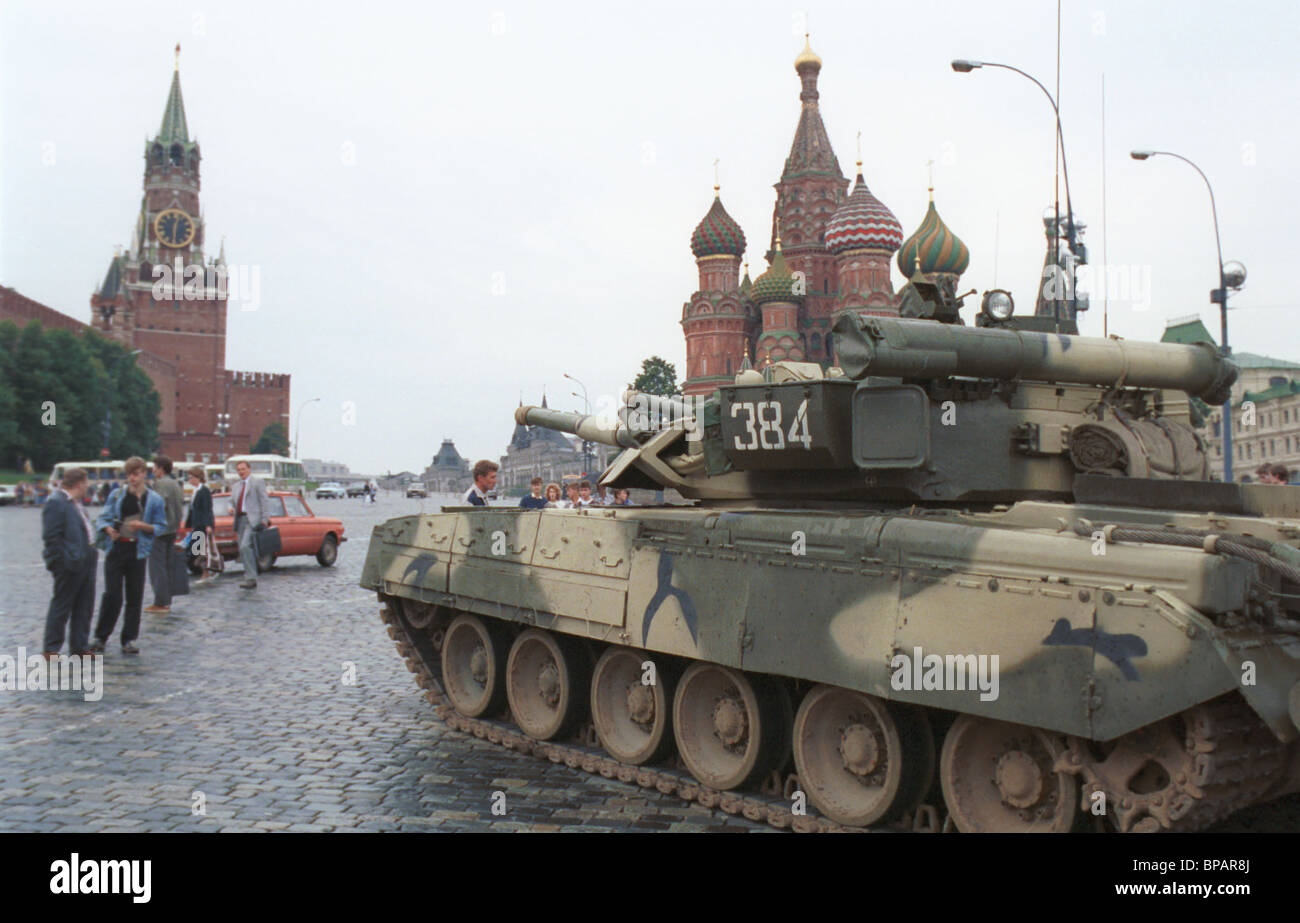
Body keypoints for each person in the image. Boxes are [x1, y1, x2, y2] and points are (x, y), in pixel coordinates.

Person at [89, 456, 167, 655]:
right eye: (129, 474)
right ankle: (101, 636)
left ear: (144, 473)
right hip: (117, 549)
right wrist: (108, 529)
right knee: (112, 595)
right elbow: (103, 518)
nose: (132, 478)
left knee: (135, 596)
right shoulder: (117, 494)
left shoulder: (154, 499)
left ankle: (129, 639)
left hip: (137, 550)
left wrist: (144, 526)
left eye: (136, 474)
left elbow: (161, 526)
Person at [41, 467, 98, 657]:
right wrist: (61, 561)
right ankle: (51, 647)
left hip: (86, 559)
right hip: (70, 562)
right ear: (79, 483)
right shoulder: (57, 502)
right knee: (62, 604)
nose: (88, 487)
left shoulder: (76, 503)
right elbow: (51, 537)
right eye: (86, 483)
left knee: (85, 605)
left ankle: (79, 646)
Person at [144, 455, 184, 614]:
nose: (153, 471)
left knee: (157, 567)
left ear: (161, 468)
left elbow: (157, 506)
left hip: (160, 530)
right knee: (167, 566)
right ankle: (166, 600)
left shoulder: (160, 484)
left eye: (154, 467)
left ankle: (160, 602)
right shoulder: (176, 484)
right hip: (173, 529)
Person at [231, 459, 271, 589]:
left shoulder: (257, 482)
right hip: (240, 520)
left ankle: (251, 578)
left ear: (249, 469)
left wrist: (265, 519)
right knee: (242, 550)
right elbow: (231, 501)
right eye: (238, 470)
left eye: (243, 469)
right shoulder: (236, 486)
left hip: (252, 520)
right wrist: (230, 507)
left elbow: (264, 500)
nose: (241, 472)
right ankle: (249, 575)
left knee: (244, 547)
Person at [184, 465, 217, 584]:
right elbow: (192, 510)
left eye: (191, 477)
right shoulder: (195, 491)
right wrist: (188, 524)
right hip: (196, 524)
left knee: (199, 550)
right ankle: (207, 571)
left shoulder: (204, 491)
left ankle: (206, 572)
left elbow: (207, 509)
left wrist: (209, 525)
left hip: (203, 525)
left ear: (198, 477)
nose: (190, 480)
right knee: (198, 550)